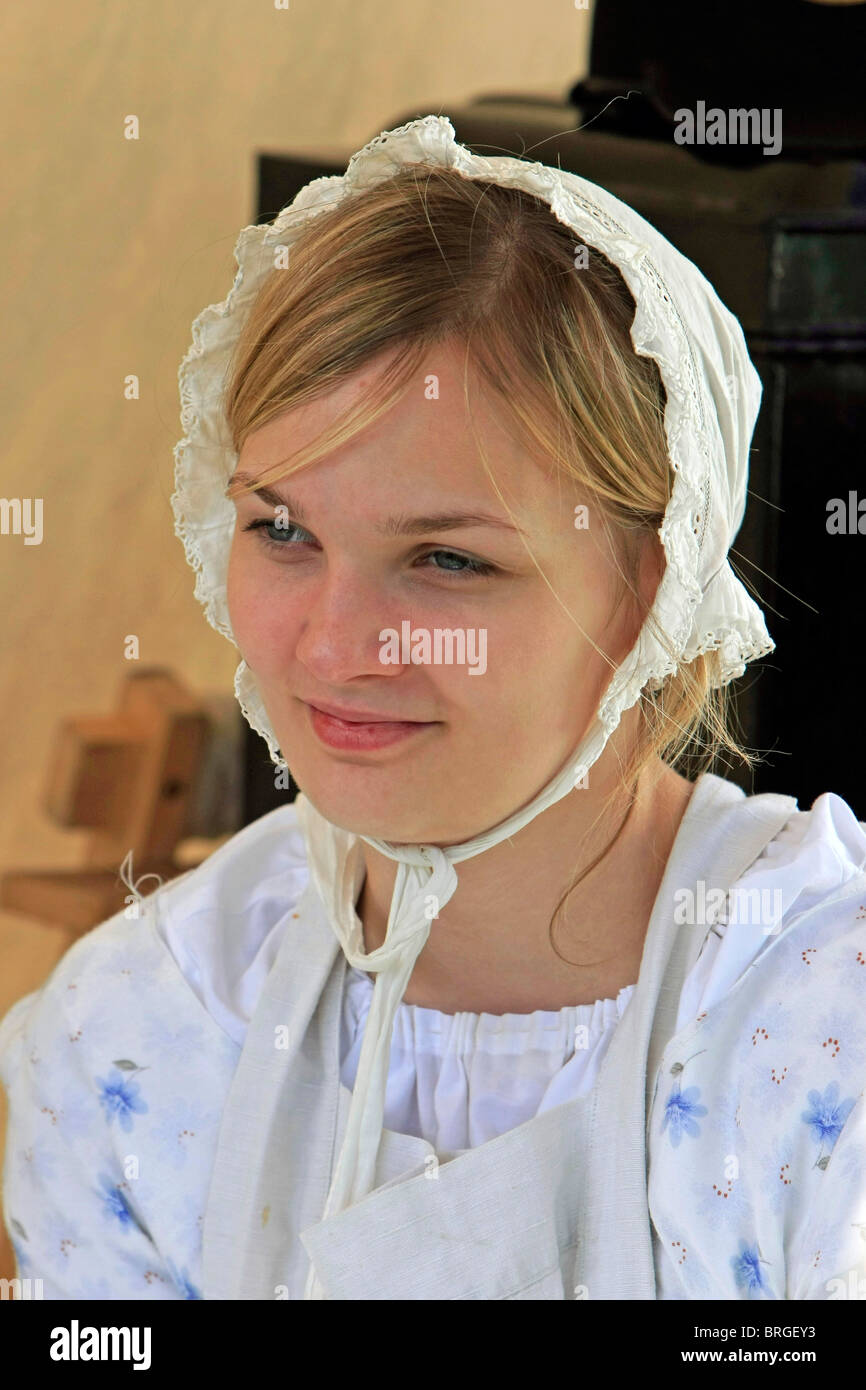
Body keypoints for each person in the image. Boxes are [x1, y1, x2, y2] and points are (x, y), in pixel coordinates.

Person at [1, 115, 865, 1301]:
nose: (333, 645)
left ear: (657, 584)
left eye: (447, 560)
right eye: (283, 530)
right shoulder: (136, 1035)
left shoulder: (820, 1030)